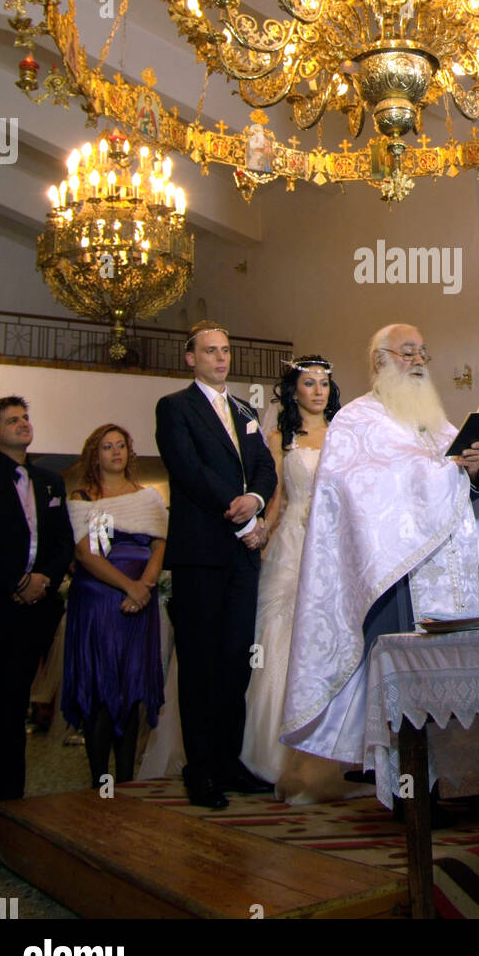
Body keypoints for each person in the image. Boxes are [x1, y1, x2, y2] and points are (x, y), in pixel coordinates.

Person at [281, 324, 479, 770]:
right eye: (408, 352)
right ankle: (413, 783)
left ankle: (470, 774)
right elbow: (360, 493)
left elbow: (467, 490)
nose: (419, 361)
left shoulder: (436, 422)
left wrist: (472, 470)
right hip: (399, 580)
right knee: (410, 690)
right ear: (380, 360)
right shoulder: (355, 421)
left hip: (455, 581)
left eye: (423, 352)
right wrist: (443, 475)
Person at [155, 322, 277, 810]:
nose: (221, 358)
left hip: (242, 558)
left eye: (225, 350)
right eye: (210, 351)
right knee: (200, 662)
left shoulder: (246, 410)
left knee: (235, 661)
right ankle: (201, 769)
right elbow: (189, 471)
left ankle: (229, 762)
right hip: (201, 553)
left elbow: (265, 466)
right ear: (191, 358)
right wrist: (241, 516)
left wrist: (257, 499)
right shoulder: (174, 407)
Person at [241, 357, 357, 803]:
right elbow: (276, 498)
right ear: (294, 391)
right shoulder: (279, 438)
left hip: (336, 545)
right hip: (292, 543)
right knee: (281, 633)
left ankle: (336, 750)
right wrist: (261, 533)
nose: (319, 391)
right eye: (309, 383)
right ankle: (270, 753)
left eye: (324, 383)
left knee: (334, 635)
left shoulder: (346, 435)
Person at [0, 397, 73, 852]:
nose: (23, 424)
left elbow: (62, 542)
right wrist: (14, 580)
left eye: (26, 418)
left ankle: (8, 820)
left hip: (31, 613)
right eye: (12, 420)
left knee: (12, 718)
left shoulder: (50, 481)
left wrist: (43, 579)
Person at [61, 424, 167, 787]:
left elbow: (160, 544)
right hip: (99, 603)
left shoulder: (148, 498)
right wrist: (129, 587)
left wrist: (144, 586)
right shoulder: (84, 498)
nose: (116, 452)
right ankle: (99, 783)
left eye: (121, 445)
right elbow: (86, 554)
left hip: (140, 604)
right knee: (102, 690)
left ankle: (125, 783)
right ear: (95, 455)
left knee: (131, 690)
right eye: (107, 447)